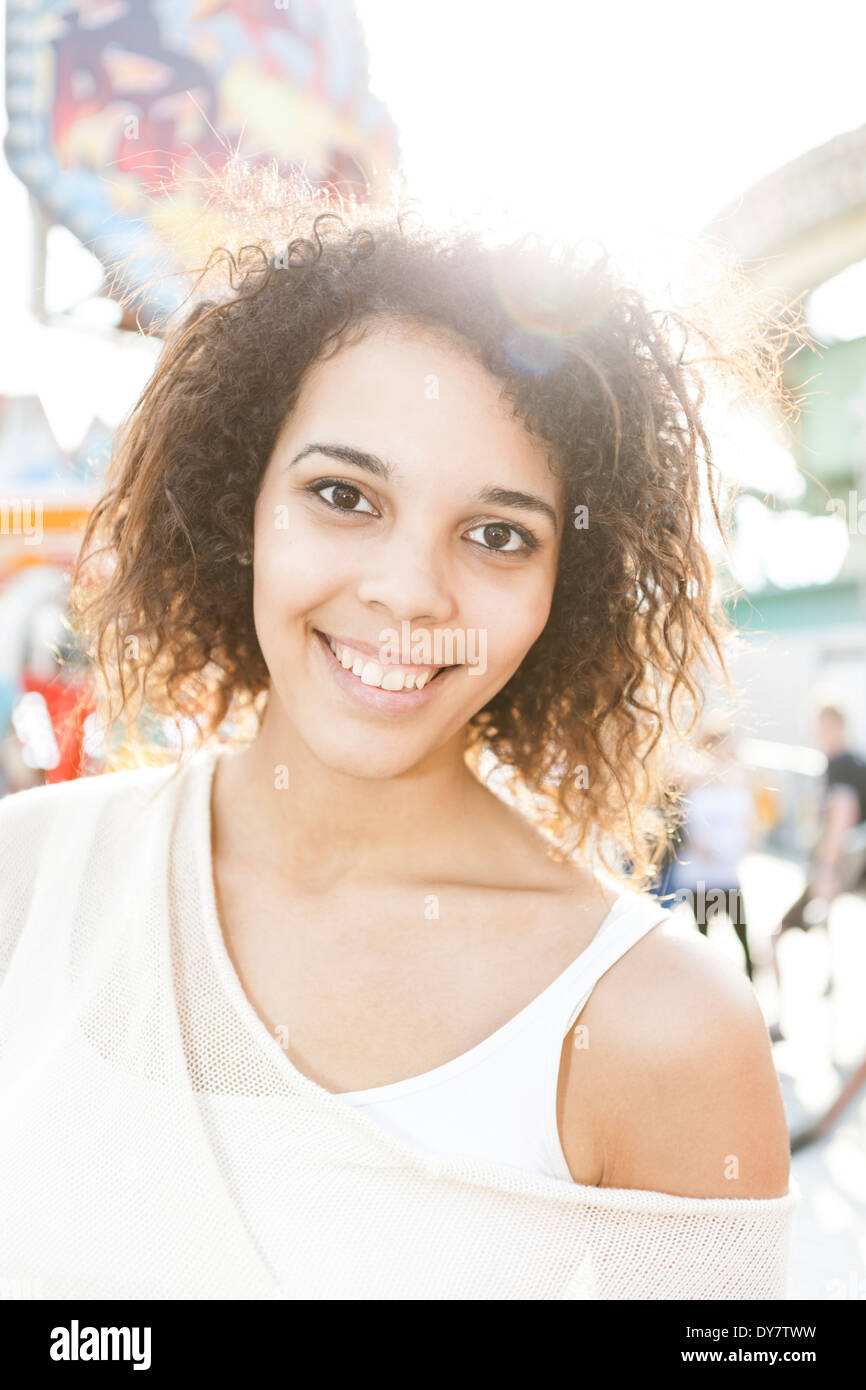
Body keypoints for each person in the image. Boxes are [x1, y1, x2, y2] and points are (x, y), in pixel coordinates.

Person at [0, 173, 797, 1299]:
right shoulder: (25, 880)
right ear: (242, 502)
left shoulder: (657, 1029)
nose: (408, 593)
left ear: (569, 586)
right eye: (344, 496)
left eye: (493, 532)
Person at [769, 704, 866, 1028]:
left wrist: (826, 869)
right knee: (826, 928)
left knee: (777, 935)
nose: (816, 733)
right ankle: (830, 982)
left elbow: (843, 811)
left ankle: (779, 1021)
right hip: (847, 869)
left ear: (834, 724)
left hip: (834, 867)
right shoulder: (853, 762)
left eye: (820, 726)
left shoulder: (841, 764)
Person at [667, 718, 757, 980]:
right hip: (700, 875)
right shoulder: (691, 779)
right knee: (702, 940)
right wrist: (699, 845)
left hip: (728, 872)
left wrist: (746, 843)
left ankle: (750, 990)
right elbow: (680, 820)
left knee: (742, 936)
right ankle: (703, 989)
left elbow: (750, 819)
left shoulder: (738, 779)